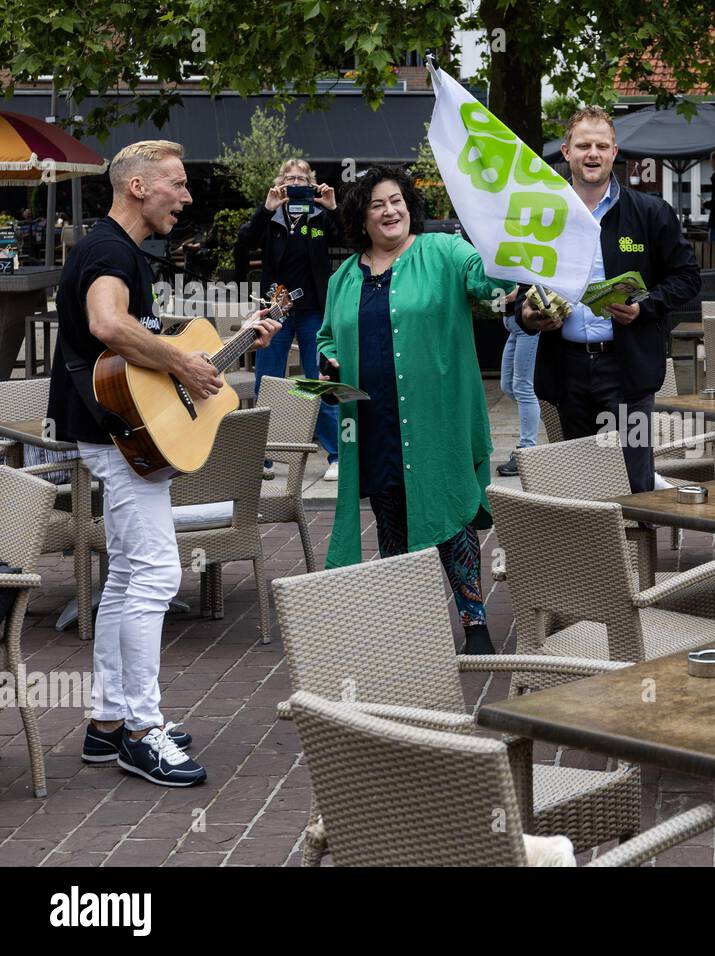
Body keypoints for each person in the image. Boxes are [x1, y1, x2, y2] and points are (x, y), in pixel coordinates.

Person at [46, 140, 280, 787]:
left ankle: (108, 723)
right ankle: (143, 732)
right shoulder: (109, 250)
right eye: (176, 183)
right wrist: (180, 362)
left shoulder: (118, 251)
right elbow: (106, 324)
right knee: (154, 573)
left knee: (126, 577)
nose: (187, 195)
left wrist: (207, 350)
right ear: (139, 186)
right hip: (116, 437)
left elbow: (140, 339)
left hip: (115, 436)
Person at [317, 165, 503, 655]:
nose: (390, 210)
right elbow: (327, 336)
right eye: (377, 204)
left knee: (453, 513)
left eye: (396, 200)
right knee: (391, 521)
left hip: (435, 421)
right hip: (374, 425)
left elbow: (485, 282)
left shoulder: (443, 252)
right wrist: (328, 358)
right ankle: (407, 628)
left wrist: (501, 249)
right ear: (361, 218)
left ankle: (476, 627)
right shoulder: (342, 278)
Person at [517, 106, 700, 493]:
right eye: (583, 145)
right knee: (580, 487)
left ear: (615, 152)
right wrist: (527, 314)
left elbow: (687, 277)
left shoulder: (650, 213)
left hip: (627, 370)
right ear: (566, 152)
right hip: (566, 369)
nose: (593, 154)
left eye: (602, 145)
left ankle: (640, 553)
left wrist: (644, 305)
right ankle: (592, 554)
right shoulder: (544, 218)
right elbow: (522, 290)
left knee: (636, 483)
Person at [236, 159, 342, 481]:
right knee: (266, 381)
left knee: (317, 379)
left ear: (311, 184)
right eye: (289, 178)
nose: (295, 183)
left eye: (301, 179)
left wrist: (332, 208)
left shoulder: (318, 217)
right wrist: (266, 210)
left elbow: (346, 240)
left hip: (313, 310)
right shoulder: (272, 218)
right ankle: (262, 457)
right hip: (276, 310)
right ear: (280, 184)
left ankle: (336, 455)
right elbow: (243, 243)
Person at [495, 305, 539, 477]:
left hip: (528, 328)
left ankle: (527, 451)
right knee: (507, 386)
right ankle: (561, 423)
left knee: (523, 387)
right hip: (514, 327)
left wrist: (511, 294)